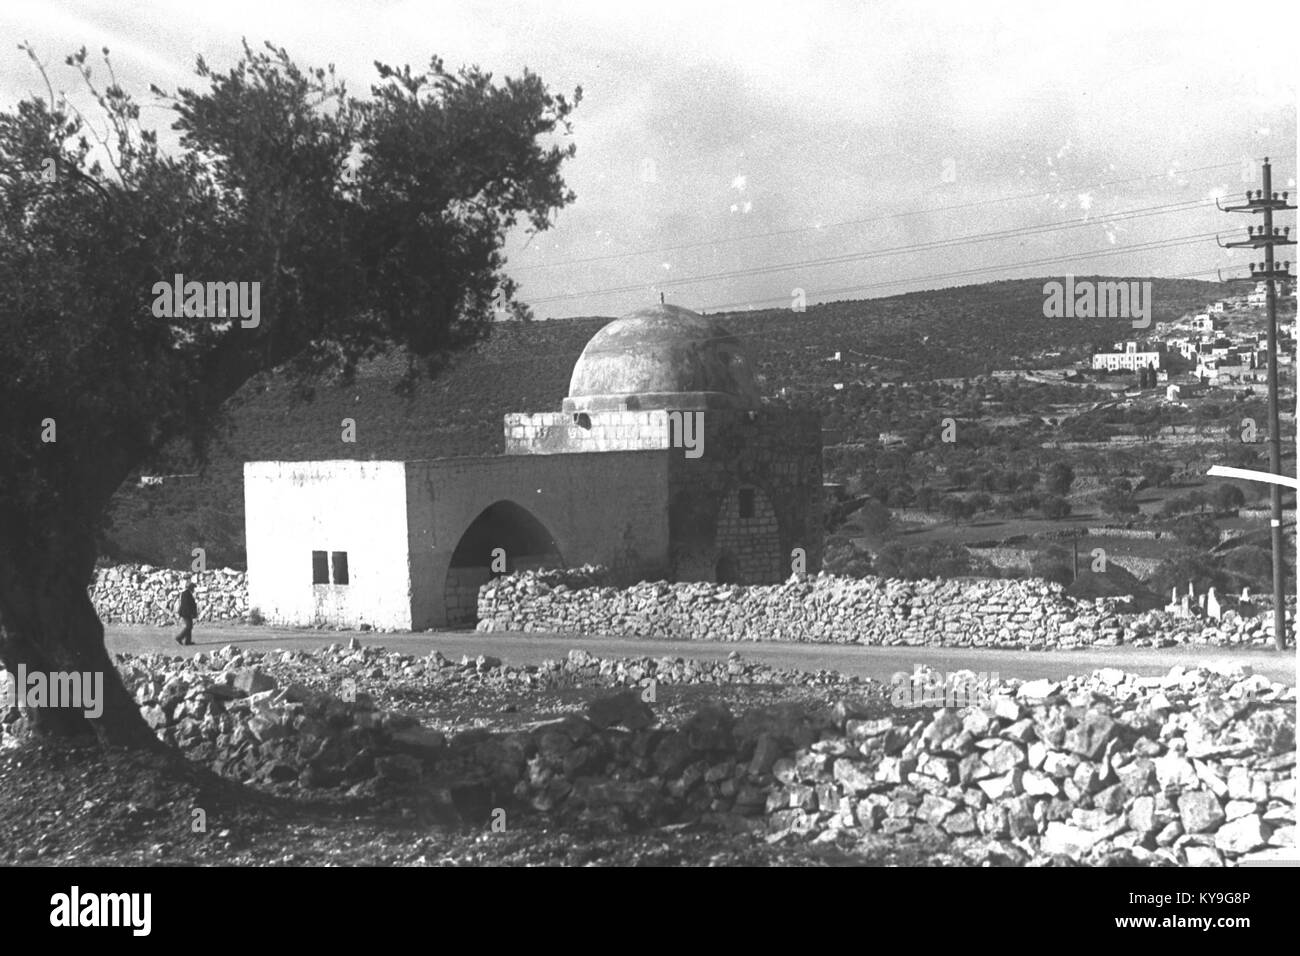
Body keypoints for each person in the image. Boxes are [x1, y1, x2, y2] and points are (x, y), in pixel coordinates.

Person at [174, 580, 198, 647]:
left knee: (189, 626)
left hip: (186, 612)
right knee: (189, 626)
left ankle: (188, 641)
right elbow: (186, 605)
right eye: (193, 588)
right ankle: (179, 637)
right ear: (190, 588)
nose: (194, 589)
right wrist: (190, 613)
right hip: (186, 613)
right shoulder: (186, 593)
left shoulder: (187, 593)